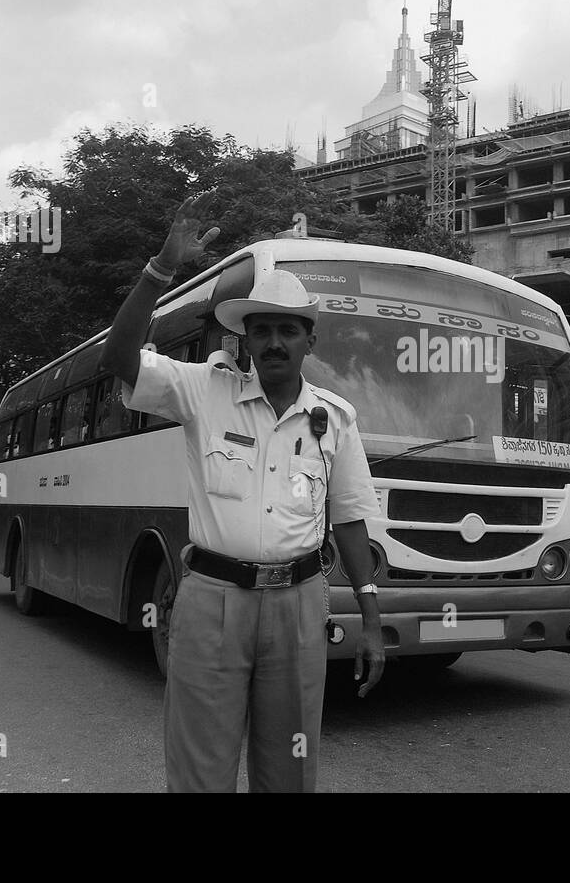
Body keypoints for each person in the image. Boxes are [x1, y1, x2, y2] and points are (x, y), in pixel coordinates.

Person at [103, 191, 385, 793]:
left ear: (310, 341)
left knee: (289, 772)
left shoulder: (336, 418)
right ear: (246, 341)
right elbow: (119, 357)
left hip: (302, 606)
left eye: (288, 330)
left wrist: (371, 618)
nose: (275, 343)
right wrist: (160, 270)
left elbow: (352, 520)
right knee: (201, 772)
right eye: (263, 332)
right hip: (211, 604)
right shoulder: (204, 390)